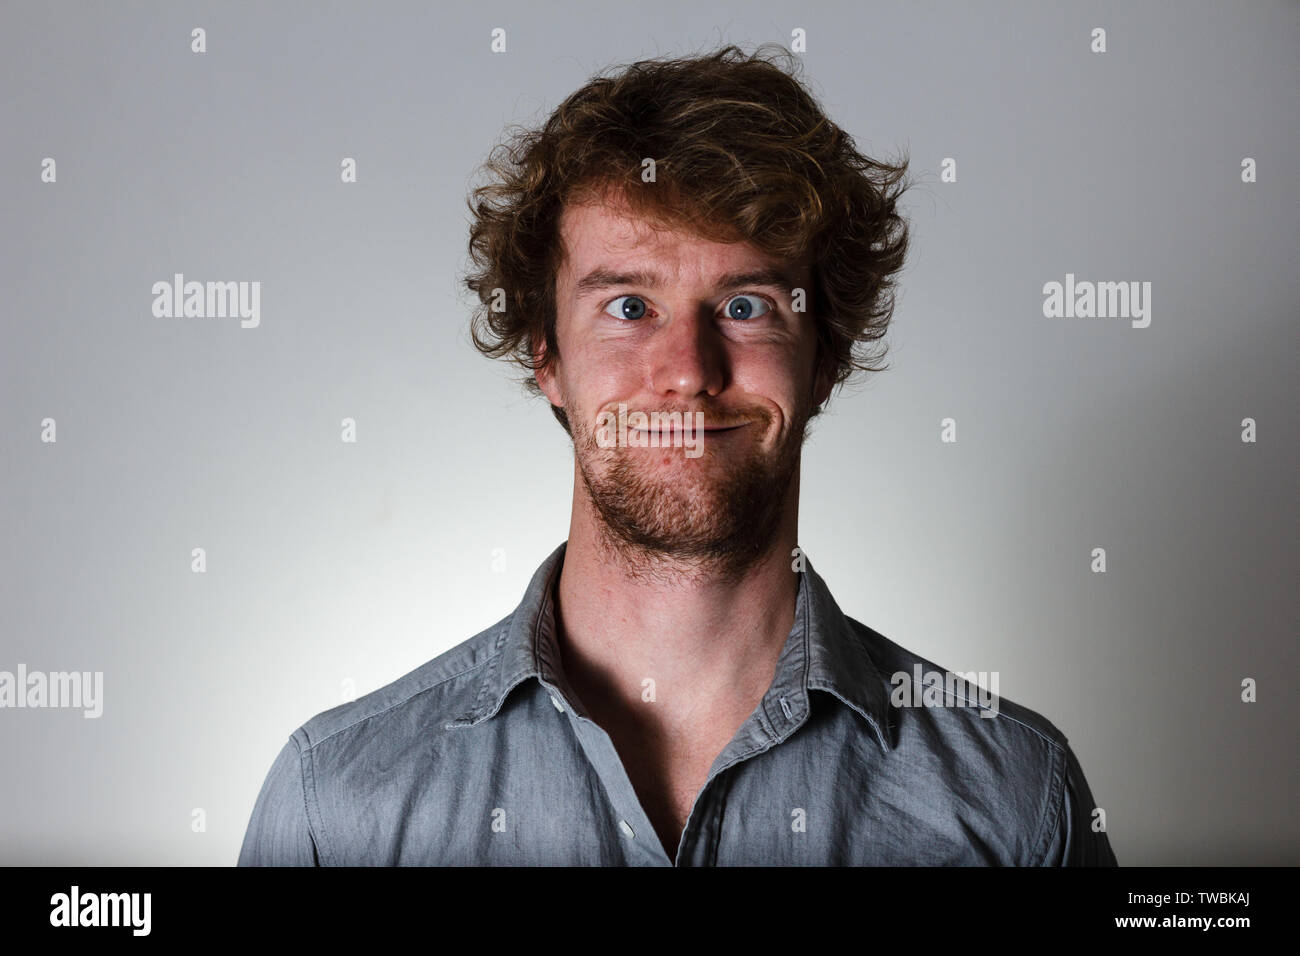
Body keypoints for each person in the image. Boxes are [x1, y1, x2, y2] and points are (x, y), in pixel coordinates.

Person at [238, 44, 1117, 866]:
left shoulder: (1013, 801)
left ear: (827, 358)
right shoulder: (338, 807)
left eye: (747, 306)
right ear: (546, 355)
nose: (689, 373)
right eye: (628, 307)